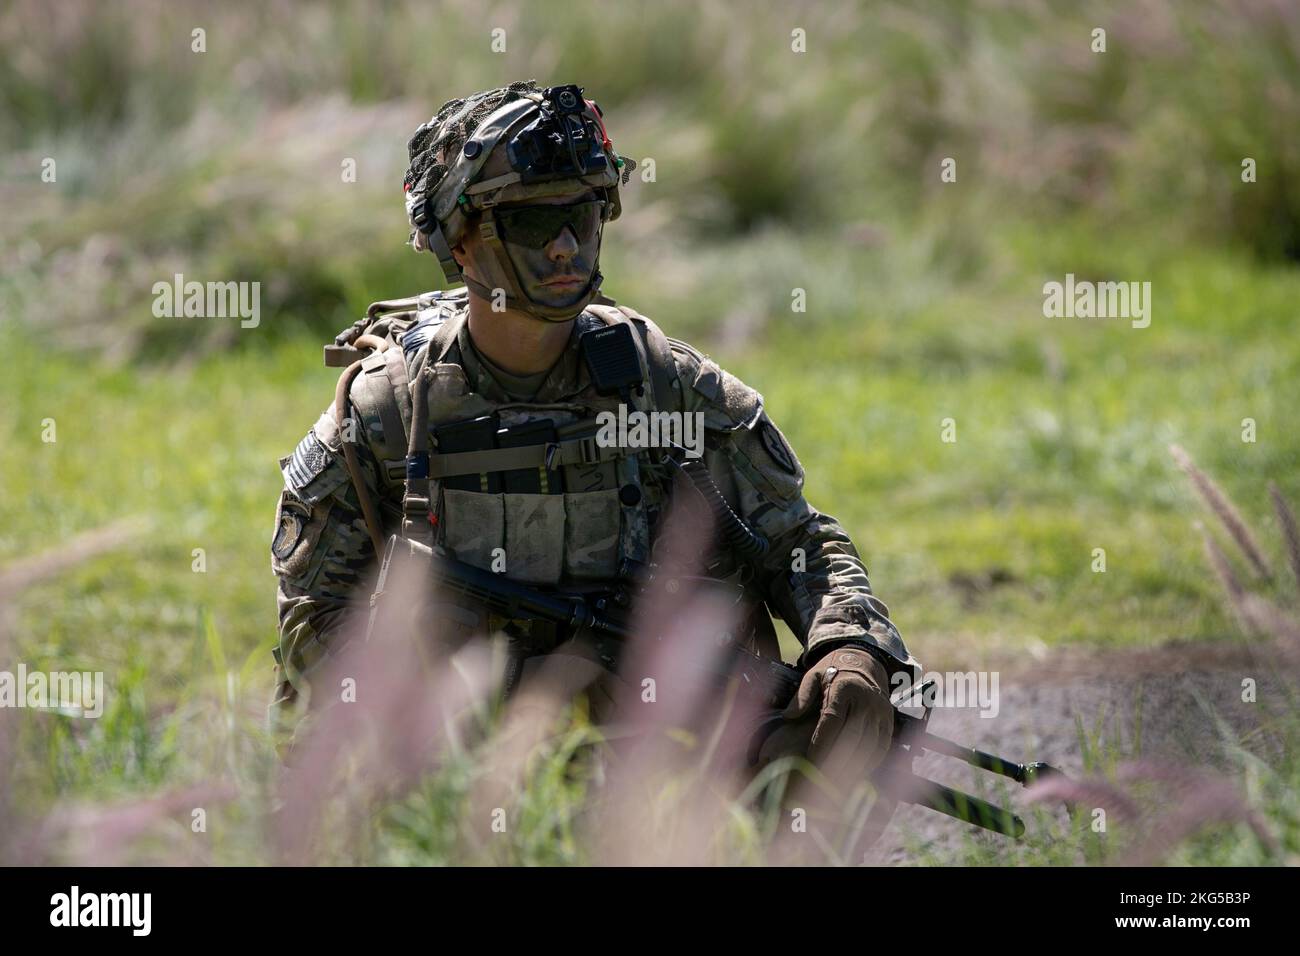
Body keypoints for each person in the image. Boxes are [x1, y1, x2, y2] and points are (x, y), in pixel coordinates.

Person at [269, 80, 919, 825]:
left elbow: (800, 541)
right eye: (532, 222)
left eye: (581, 215)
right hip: (453, 778)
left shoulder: (665, 384)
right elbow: (313, 642)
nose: (564, 247)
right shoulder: (387, 411)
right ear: (459, 241)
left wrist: (850, 647)